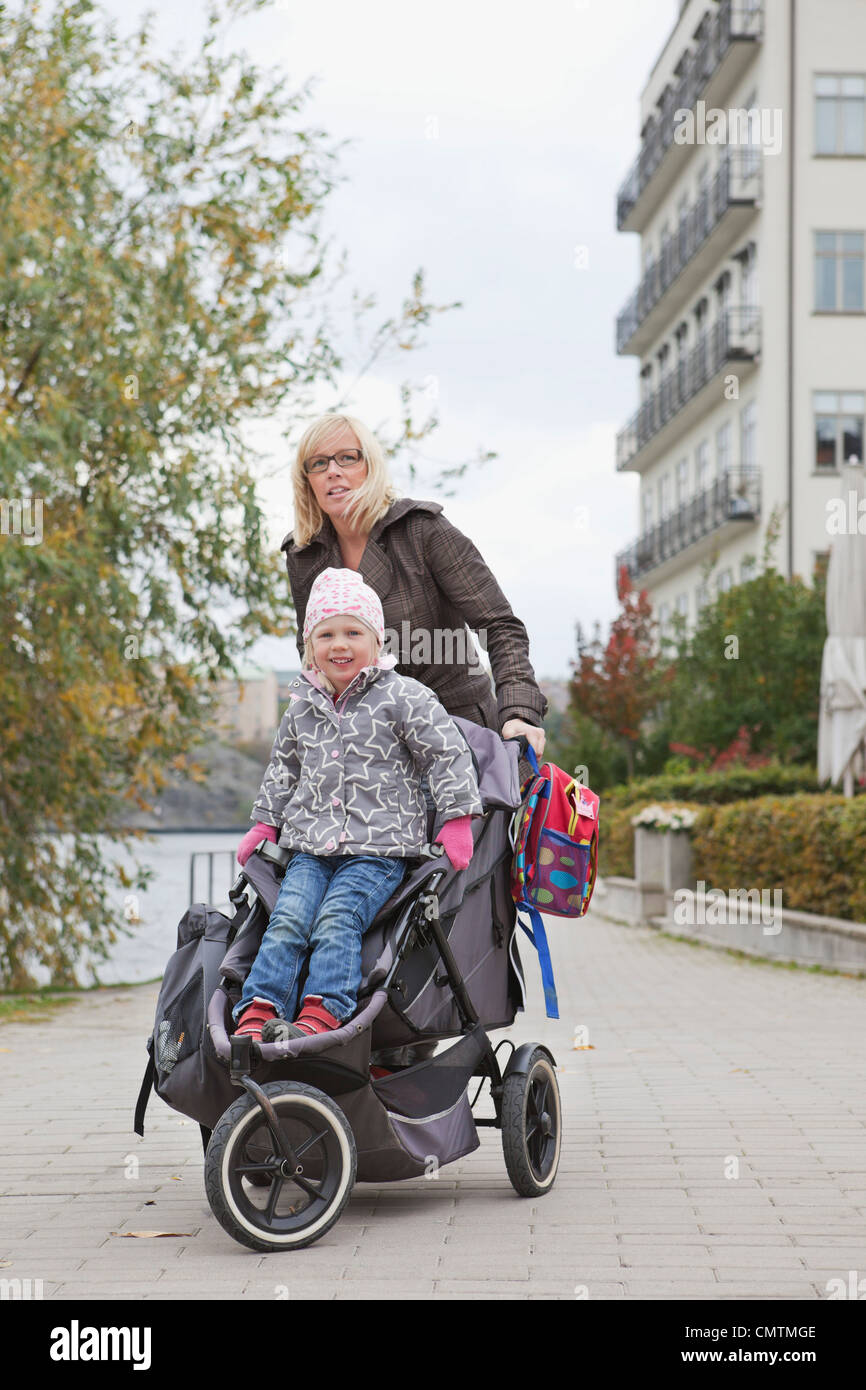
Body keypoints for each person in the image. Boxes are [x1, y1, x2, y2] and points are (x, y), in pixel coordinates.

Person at [232, 567, 483, 1043]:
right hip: (310, 848)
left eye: (352, 632)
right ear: (310, 646)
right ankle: (260, 1007)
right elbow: (283, 768)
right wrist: (265, 825)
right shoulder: (302, 705)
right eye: (325, 634)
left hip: (379, 851)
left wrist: (456, 819)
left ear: (377, 640)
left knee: (336, 919)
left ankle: (325, 1010)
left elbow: (445, 755)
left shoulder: (404, 697)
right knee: (287, 917)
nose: (338, 644)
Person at [282, 412, 548, 761]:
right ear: (307, 481)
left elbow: (500, 626)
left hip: (458, 730)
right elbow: (314, 654)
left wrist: (518, 713)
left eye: (348, 457)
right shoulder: (303, 554)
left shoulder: (423, 530)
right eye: (318, 463)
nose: (333, 470)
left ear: (370, 466)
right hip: (367, 748)